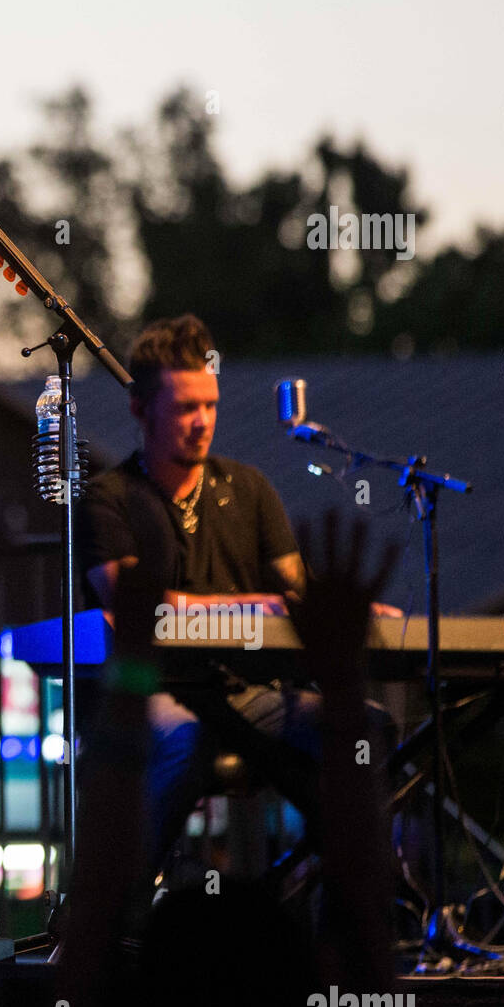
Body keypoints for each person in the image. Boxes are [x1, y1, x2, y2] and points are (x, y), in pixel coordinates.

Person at [74, 314, 393, 873]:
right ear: (140, 409)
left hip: (247, 692)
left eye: (211, 405)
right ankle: (120, 906)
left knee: (369, 728)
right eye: (185, 407)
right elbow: (132, 606)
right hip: (151, 691)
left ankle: (332, 914)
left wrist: (345, 608)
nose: (202, 422)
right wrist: (257, 605)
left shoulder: (248, 489)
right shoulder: (110, 499)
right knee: (187, 738)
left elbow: (298, 589)